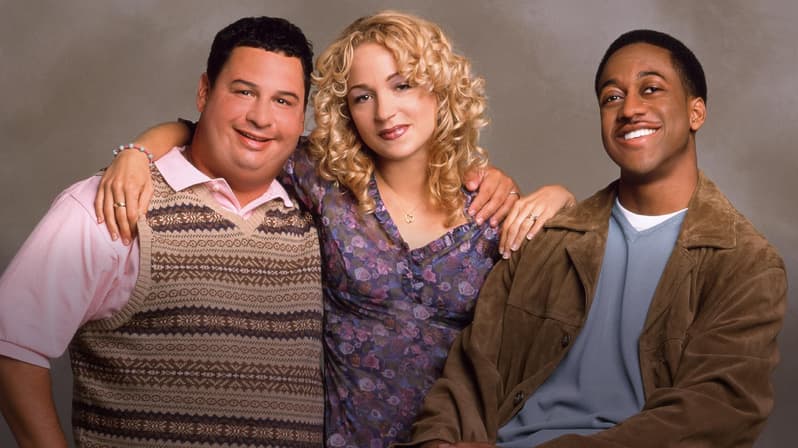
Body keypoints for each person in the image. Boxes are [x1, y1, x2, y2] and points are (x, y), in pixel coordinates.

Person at [94, 11, 576, 447]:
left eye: (403, 85)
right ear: (347, 110)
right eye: (363, 96)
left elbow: (548, 330)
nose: (385, 112)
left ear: (441, 88)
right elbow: (219, 132)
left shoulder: (490, 209)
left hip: (458, 437)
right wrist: (138, 152)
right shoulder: (325, 180)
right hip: (344, 436)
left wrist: (562, 198)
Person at [405, 29, 788, 448]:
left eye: (651, 89)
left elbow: (715, 411)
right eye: (612, 97)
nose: (630, 109)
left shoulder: (746, 264)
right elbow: (467, 374)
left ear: (695, 112)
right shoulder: (543, 239)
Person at [0, 16, 326, 447]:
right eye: (244, 91)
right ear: (204, 92)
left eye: (283, 101)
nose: (261, 117)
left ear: (303, 117)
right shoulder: (116, 202)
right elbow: (11, 346)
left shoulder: (319, 214)